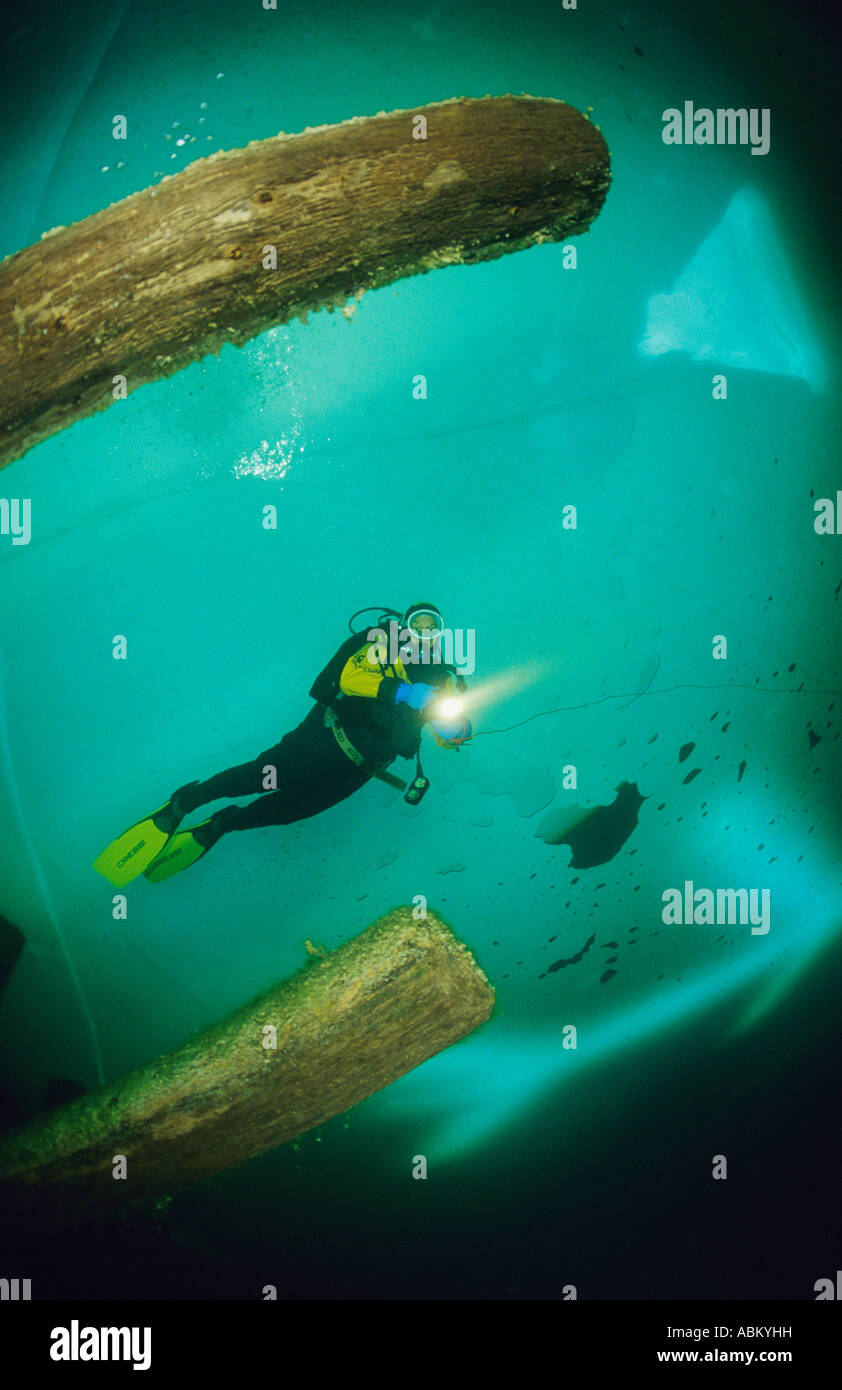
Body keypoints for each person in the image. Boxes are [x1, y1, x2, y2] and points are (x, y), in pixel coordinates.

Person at [93, 602, 472, 885]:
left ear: (440, 632)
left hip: (362, 769)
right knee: (262, 777)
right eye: (417, 623)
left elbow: (444, 731)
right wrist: (403, 690)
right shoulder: (382, 645)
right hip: (327, 737)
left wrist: (455, 730)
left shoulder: (444, 677)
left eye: (432, 626)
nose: (424, 630)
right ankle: (185, 802)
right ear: (405, 625)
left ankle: (225, 824)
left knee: (293, 809)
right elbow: (347, 679)